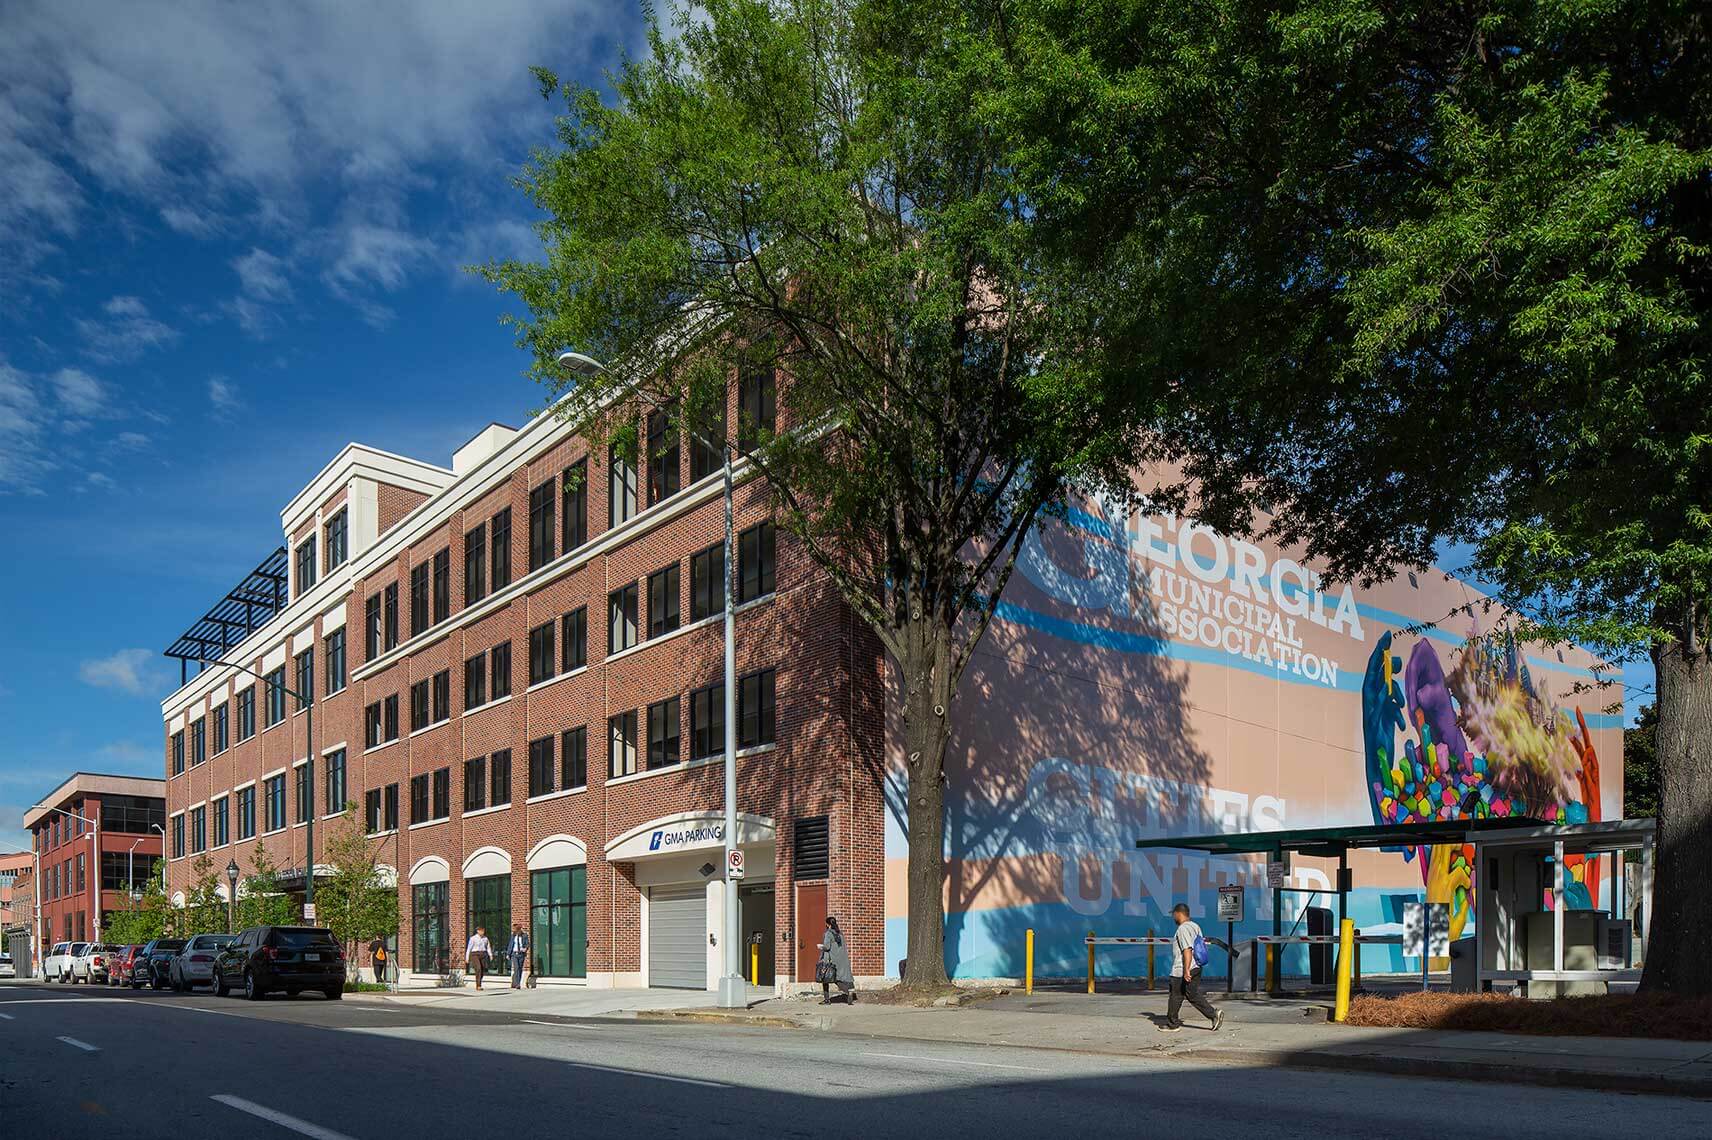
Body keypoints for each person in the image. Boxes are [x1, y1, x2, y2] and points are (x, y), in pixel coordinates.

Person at [1160, 903, 1220, 1032]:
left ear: (1178, 913)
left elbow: (1187, 949)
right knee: (1190, 994)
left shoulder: (1183, 928)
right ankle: (1213, 1014)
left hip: (1183, 968)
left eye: (1173, 915)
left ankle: (1173, 1024)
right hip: (1197, 966)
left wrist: (1186, 970)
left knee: (1176, 995)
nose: (1173, 918)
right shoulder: (1195, 926)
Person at [817, 915, 855, 1005]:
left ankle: (827, 1000)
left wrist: (820, 946)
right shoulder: (840, 934)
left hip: (832, 960)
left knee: (826, 978)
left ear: (827, 924)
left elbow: (827, 947)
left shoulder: (828, 934)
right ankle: (850, 991)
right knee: (839, 978)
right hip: (842, 960)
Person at [465, 926, 492, 991]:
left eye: (483, 931)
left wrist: (490, 955)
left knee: (482, 969)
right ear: (477, 931)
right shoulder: (473, 938)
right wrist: (467, 957)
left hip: (483, 954)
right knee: (478, 968)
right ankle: (478, 985)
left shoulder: (485, 938)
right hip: (475, 954)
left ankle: (479, 980)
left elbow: (488, 947)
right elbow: (469, 948)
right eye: (481, 931)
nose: (482, 932)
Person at [507, 924, 530, 989]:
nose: (516, 932)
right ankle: (517, 984)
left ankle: (518, 982)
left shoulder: (524, 935)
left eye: (517, 930)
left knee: (520, 968)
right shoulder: (513, 936)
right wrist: (508, 954)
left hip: (521, 954)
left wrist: (525, 948)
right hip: (514, 954)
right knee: (516, 968)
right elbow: (510, 944)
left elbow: (527, 944)